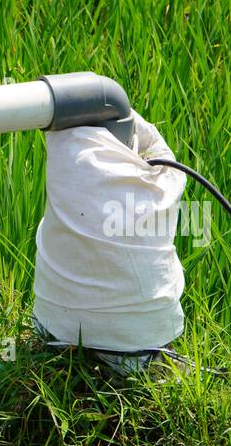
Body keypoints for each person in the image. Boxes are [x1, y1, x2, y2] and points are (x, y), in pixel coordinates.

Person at [32, 112, 189, 378]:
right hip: (139, 340)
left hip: (56, 333)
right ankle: (133, 347)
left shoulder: (71, 139)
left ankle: (65, 335)